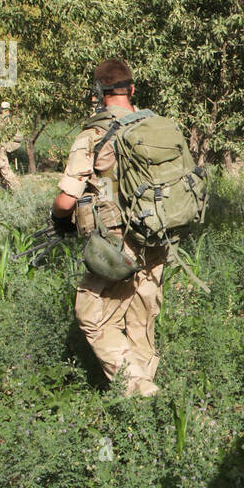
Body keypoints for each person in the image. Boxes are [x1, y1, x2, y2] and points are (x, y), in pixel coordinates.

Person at [50, 59, 167, 398]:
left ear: (98, 94)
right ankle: (148, 400)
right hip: (157, 236)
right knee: (141, 316)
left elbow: (65, 202)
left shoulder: (93, 135)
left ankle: (137, 388)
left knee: (92, 315)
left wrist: (60, 222)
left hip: (116, 244)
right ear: (133, 90)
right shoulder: (156, 127)